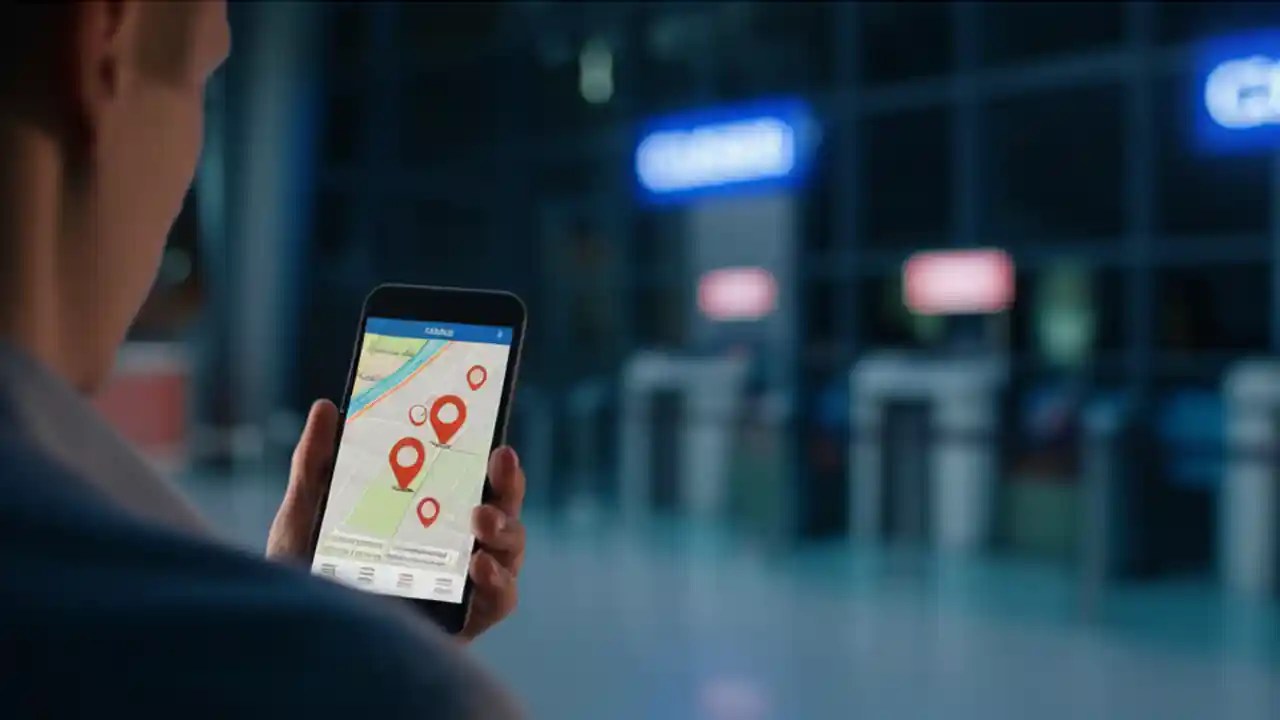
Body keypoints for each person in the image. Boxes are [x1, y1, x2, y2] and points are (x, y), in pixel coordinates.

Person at [0, 2, 525, 716]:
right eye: (200, 81)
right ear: (98, 46)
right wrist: (333, 659)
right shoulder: (379, 690)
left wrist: (311, 610)